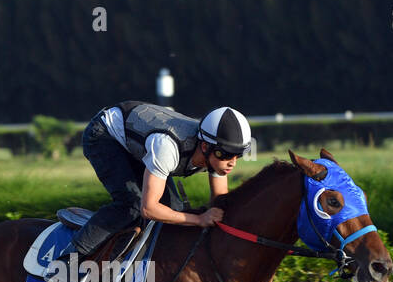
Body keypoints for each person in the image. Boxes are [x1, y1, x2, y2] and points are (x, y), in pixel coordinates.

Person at [65, 101, 252, 271]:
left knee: (175, 211)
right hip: (105, 136)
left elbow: (219, 204)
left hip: (140, 142)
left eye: (237, 155)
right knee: (132, 206)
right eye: (226, 154)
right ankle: (69, 260)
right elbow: (149, 208)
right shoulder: (167, 147)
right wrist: (199, 219)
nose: (232, 163)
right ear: (205, 147)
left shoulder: (213, 152)